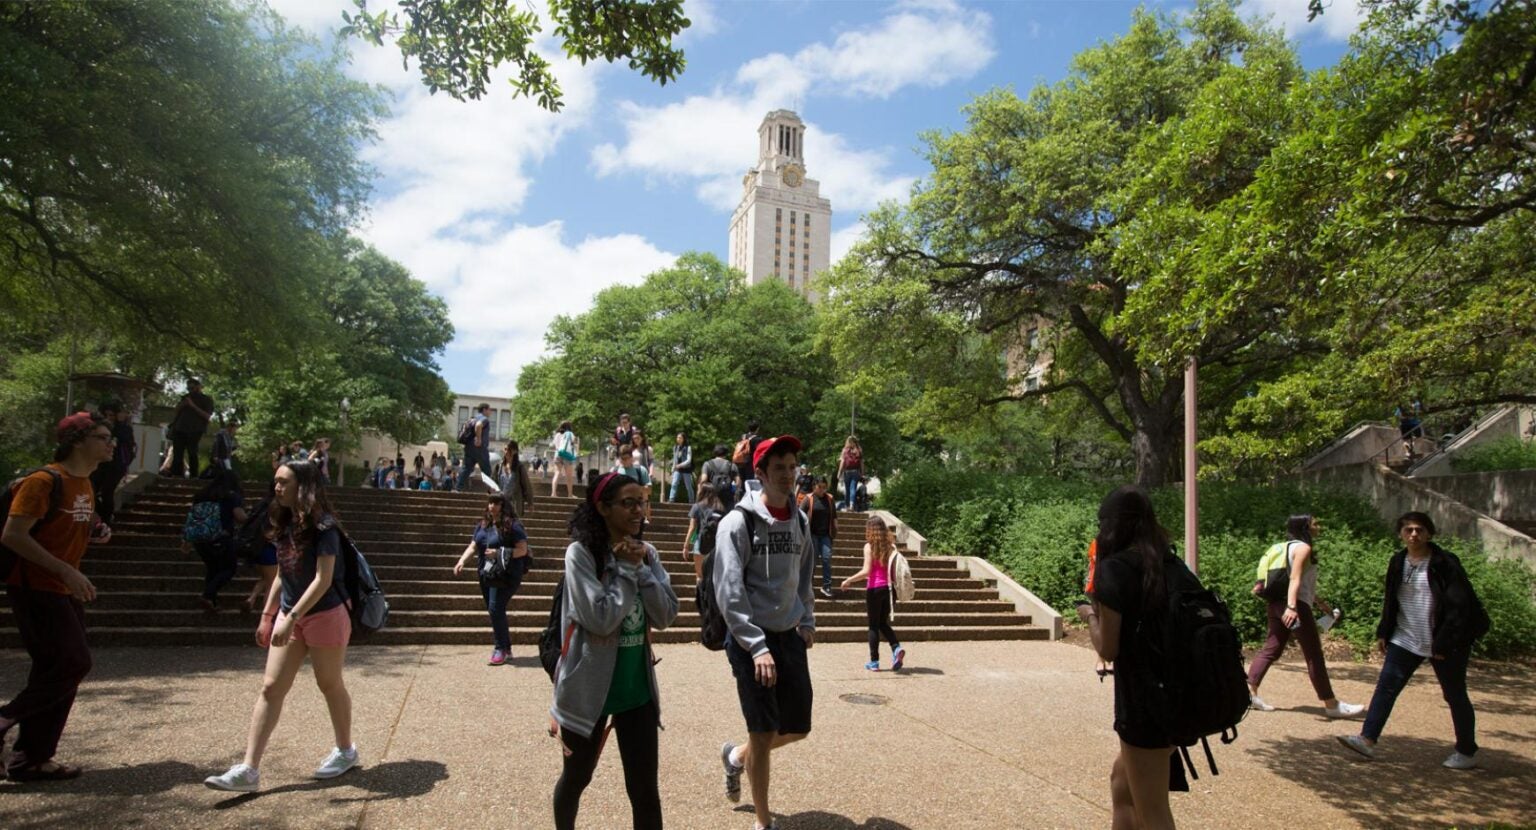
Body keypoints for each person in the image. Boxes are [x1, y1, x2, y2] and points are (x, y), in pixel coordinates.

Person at [204, 459, 358, 792]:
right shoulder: (285, 522)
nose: (277, 487)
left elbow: (323, 579)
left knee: (329, 683)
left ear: (304, 486)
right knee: (271, 688)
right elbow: (281, 574)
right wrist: (267, 615)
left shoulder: (324, 526)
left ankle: (346, 750)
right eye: (275, 480)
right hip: (292, 616)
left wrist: (289, 619)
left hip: (326, 614)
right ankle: (249, 769)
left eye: (284, 482)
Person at [550, 472, 679, 830]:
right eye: (628, 503)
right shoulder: (581, 554)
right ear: (603, 507)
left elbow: (667, 614)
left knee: (644, 792)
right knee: (576, 780)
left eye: (642, 502)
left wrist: (642, 571)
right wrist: (625, 569)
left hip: (636, 693)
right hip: (587, 695)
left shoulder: (647, 553)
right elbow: (600, 618)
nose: (639, 511)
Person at [0, 412, 114, 782]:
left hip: (62, 588)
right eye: (103, 436)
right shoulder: (42, 481)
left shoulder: (84, 483)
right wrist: (65, 569)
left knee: (57, 670)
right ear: (79, 441)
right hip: (35, 588)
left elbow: (74, 519)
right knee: (72, 663)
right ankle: (5, 721)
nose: (111, 443)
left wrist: (97, 527)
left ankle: (32, 758)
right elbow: (13, 535)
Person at [715, 436, 815, 830]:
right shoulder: (737, 522)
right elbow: (729, 590)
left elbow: (803, 575)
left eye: (792, 467)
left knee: (798, 728)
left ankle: (736, 757)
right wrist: (756, 647)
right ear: (759, 473)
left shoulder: (801, 520)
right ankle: (763, 822)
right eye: (779, 468)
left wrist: (806, 619)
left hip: (788, 633)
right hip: (749, 639)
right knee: (763, 732)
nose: (789, 475)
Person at [1337, 512, 1490, 769]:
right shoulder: (1398, 562)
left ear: (1429, 533)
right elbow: (1391, 600)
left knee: (1454, 695)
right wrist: (1384, 631)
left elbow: (1459, 607)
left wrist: (1443, 642)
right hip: (1406, 637)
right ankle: (1367, 739)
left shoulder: (1445, 563)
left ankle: (1466, 751)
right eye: (1408, 530)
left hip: (1444, 641)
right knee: (1386, 686)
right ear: (1400, 534)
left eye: (1419, 529)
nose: (1414, 534)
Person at [1076, 486, 1183, 830]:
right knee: (1122, 782)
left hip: (1144, 703)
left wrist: (1089, 617)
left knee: (1153, 811)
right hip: (1181, 696)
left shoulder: (1116, 569)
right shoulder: (1170, 562)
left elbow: (1108, 648)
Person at [1246, 515, 1363, 717]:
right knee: (1313, 654)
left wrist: (1320, 604)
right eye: (1315, 523)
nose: (1318, 526)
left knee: (1271, 649)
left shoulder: (1280, 547)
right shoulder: (1303, 548)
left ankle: (1249, 692)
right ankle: (1331, 704)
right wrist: (1292, 607)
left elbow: (1301, 582)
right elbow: (1294, 578)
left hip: (1275, 604)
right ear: (1305, 527)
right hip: (1294, 605)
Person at [453, 493, 531, 666]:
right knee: (494, 609)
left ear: (503, 505)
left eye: (496, 503)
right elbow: (473, 546)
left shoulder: (513, 525)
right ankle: (507, 646)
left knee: (495, 608)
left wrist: (500, 552)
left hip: (506, 574)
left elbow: (522, 550)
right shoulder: (483, 525)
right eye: (490, 503)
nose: (492, 506)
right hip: (486, 573)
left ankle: (500, 649)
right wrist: (461, 561)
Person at [841, 517, 906, 673]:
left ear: (870, 530)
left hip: (875, 589)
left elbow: (867, 572)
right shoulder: (891, 546)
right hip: (890, 590)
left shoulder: (869, 547)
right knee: (882, 623)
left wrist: (849, 580)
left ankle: (874, 662)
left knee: (873, 626)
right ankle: (896, 648)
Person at [186, 467, 248, 612]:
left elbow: (193, 516)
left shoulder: (202, 495)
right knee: (229, 568)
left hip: (201, 539)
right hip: (221, 538)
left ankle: (211, 602)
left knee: (213, 569)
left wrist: (187, 539)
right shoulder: (231, 496)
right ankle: (207, 595)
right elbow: (240, 516)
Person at [90, 399, 136, 528]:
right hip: (98, 463)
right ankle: (103, 514)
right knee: (90, 490)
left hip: (116, 465)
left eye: (111, 415)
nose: (108, 418)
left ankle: (106, 520)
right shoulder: (96, 427)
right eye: (106, 415)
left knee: (107, 492)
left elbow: (128, 444)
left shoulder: (123, 429)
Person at [167, 378, 215, 478]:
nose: (190, 390)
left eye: (192, 388)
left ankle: (193, 475)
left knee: (192, 452)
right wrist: (183, 404)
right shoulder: (185, 397)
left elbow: (207, 416)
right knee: (177, 453)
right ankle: (176, 474)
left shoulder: (206, 399)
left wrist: (192, 406)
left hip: (195, 429)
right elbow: (176, 411)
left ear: (198, 387)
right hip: (180, 428)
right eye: (188, 388)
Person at [800, 478, 838, 599]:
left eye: (824, 487)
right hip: (812, 535)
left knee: (827, 558)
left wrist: (835, 529)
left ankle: (826, 586)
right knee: (813, 560)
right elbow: (799, 515)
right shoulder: (808, 499)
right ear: (814, 487)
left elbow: (834, 517)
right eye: (819, 487)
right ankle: (807, 586)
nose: (822, 490)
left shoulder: (830, 499)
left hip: (826, 535)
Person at [683, 482, 724, 581]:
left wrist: (686, 546)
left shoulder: (697, 507)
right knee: (714, 575)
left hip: (701, 543)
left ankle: (700, 595)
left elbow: (692, 527)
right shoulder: (720, 507)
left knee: (700, 576)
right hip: (717, 545)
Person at [497, 441, 535, 519]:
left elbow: (526, 485)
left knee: (513, 526)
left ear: (515, 451)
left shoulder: (519, 467)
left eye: (509, 449)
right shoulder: (500, 466)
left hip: (514, 502)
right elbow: (494, 481)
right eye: (505, 449)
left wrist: (530, 502)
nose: (506, 452)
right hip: (501, 501)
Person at [701, 444, 737, 510]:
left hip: (712, 496)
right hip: (728, 497)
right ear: (726, 453)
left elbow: (704, 480)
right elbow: (738, 482)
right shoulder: (732, 465)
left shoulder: (707, 464)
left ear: (715, 452)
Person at [551, 420, 578, 499]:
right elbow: (573, 443)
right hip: (567, 455)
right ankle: (570, 494)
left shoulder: (557, 435)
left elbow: (555, 445)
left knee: (557, 473)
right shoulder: (570, 433)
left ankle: (553, 493)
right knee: (569, 476)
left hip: (558, 454)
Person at [835, 435, 863, 511]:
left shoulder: (845, 450)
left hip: (847, 472)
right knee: (852, 488)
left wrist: (839, 473)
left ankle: (847, 506)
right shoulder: (859, 450)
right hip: (856, 472)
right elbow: (861, 462)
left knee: (847, 490)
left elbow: (842, 462)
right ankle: (851, 505)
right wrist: (862, 473)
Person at [733, 421, 763, 491]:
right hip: (750, 463)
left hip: (740, 462)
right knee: (749, 482)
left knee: (742, 481)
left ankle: (741, 497)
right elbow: (759, 452)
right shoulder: (757, 439)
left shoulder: (743, 437)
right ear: (757, 429)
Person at [668, 432, 695, 504]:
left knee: (688, 486)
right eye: (677, 438)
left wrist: (680, 465)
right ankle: (671, 498)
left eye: (680, 438)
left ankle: (691, 500)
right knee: (674, 483)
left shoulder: (688, 447)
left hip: (686, 469)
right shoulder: (675, 447)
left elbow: (689, 460)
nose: (678, 439)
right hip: (677, 469)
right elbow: (675, 459)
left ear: (684, 439)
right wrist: (672, 469)